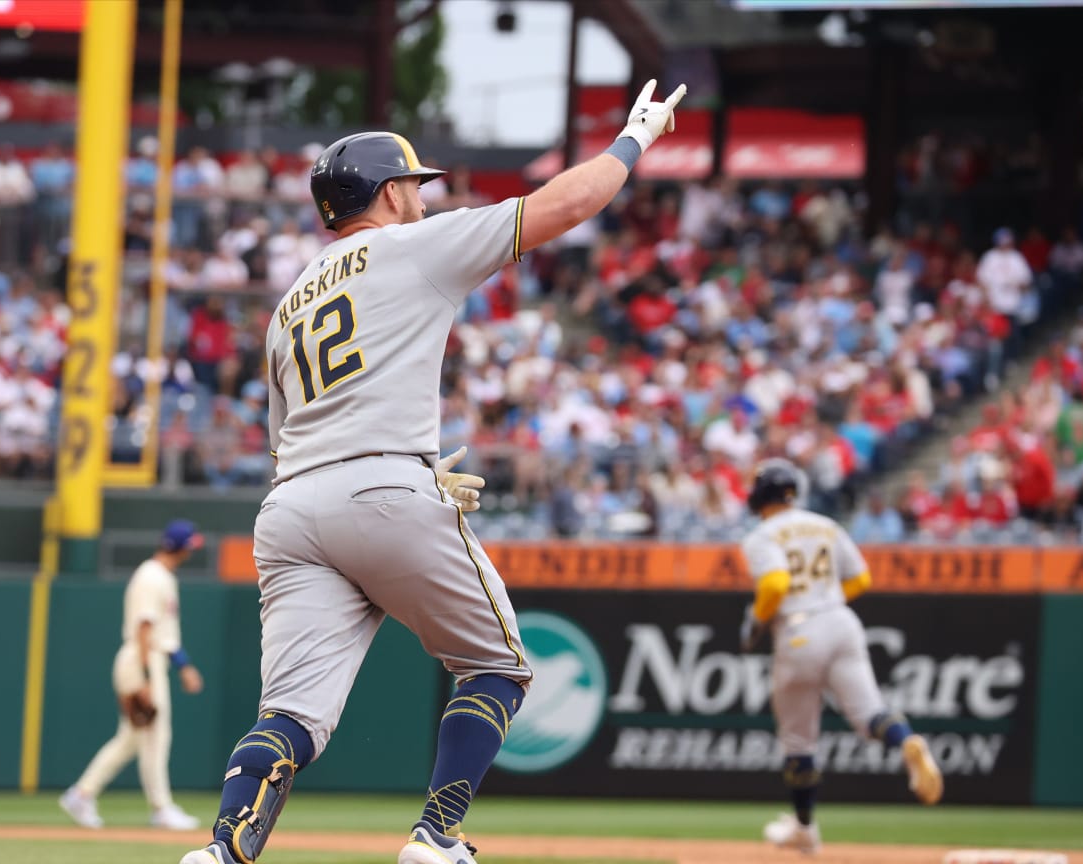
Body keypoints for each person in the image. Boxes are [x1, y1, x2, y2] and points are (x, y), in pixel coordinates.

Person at [180, 80, 690, 864]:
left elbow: (289, 441)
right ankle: (436, 835)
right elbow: (558, 207)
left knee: (290, 715)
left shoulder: (287, 306)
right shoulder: (412, 244)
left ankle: (222, 850)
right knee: (499, 665)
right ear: (388, 194)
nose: (422, 200)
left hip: (291, 508)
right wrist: (634, 141)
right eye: (414, 188)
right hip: (383, 489)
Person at [738, 459, 943, 856]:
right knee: (870, 714)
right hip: (841, 620)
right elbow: (861, 579)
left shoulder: (761, 535)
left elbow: (777, 582)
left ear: (760, 494)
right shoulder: (825, 525)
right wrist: (823, 602)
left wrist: (757, 620)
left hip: (798, 631)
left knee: (799, 740)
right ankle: (908, 742)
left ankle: (806, 829)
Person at [59, 520, 207, 831]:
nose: (190, 552)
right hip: (141, 659)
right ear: (178, 547)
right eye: (189, 546)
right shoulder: (151, 577)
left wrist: (183, 666)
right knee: (156, 737)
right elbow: (144, 628)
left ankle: (81, 793)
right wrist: (146, 678)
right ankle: (161, 808)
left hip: (149, 658)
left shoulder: (160, 576)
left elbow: (164, 635)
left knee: (131, 739)